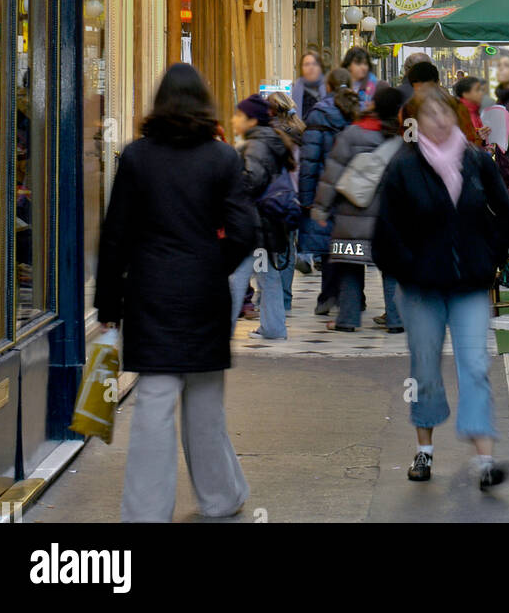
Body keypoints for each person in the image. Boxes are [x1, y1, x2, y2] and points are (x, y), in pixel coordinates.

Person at [95, 63, 259, 523]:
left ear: (159, 104)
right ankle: (221, 497)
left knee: (153, 404)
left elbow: (116, 235)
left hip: (150, 293)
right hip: (204, 292)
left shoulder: (137, 157)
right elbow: (246, 229)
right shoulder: (222, 158)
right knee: (206, 406)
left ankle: (145, 513)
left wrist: (108, 302)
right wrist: (215, 262)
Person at [373, 85, 509, 491]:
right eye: (429, 114)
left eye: (445, 112)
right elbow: (386, 230)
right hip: (421, 289)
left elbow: (502, 213)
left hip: (470, 282)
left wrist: (491, 259)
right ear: (414, 123)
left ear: (455, 115)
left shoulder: (476, 161)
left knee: (474, 366)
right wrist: (408, 269)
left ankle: (485, 459)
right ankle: (425, 449)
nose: (439, 120)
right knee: (425, 369)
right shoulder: (403, 166)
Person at [312, 85, 406, 333]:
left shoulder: (351, 133)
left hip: (350, 216)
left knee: (349, 267)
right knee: (391, 268)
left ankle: (348, 319)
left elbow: (332, 174)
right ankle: (396, 320)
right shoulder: (399, 139)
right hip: (389, 218)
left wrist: (321, 209)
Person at [229, 91, 304, 344]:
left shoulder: (257, 144)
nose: (234, 119)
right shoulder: (271, 139)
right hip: (270, 223)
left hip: (255, 224)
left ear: (251, 120)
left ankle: (219, 331)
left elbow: (252, 181)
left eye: (239, 115)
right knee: (267, 276)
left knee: (235, 276)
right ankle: (273, 327)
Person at [298, 68, 360, 314]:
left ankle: (328, 295)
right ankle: (355, 299)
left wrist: (305, 197)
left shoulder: (320, 114)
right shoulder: (362, 109)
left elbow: (310, 160)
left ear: (329, 86)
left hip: (327, 186)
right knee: (354, 245)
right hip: (357, 188)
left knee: (329, 245)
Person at [291, 51, 327, 122]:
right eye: (307, 64)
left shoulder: (329, 87)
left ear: (321, 67)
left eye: (315, 64)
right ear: (301, 68)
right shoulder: (295, 89)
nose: (311, 67)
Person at [453, 76, 488, 145]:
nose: (481, 93)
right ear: (465, 94)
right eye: (477, 90)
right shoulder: (460, 112)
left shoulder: (475, 110)